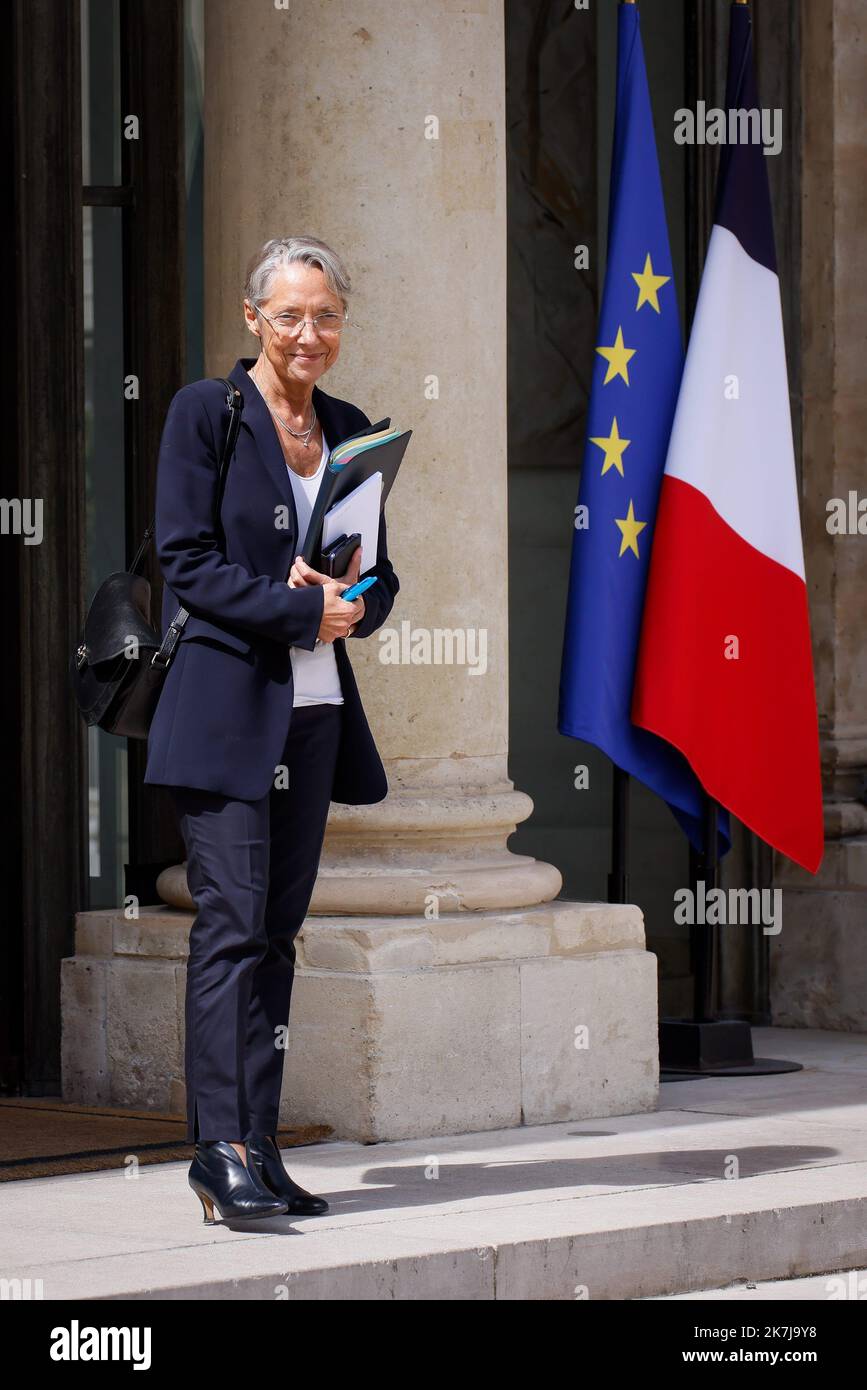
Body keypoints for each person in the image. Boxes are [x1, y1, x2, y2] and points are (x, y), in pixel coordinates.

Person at [144, 235, 399, 1224]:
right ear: (253, 318)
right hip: (223, 712)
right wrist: (295, 608)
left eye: (326, 315)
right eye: (289, 314)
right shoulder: (208, 413)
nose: (309, 333)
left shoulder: (349, 430)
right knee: (233, 927)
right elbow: (187, 560)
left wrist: (351, 602)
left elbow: (381, 579)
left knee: (279, 937)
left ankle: (261, 1141)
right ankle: (219, 1151)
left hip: (315, 716)